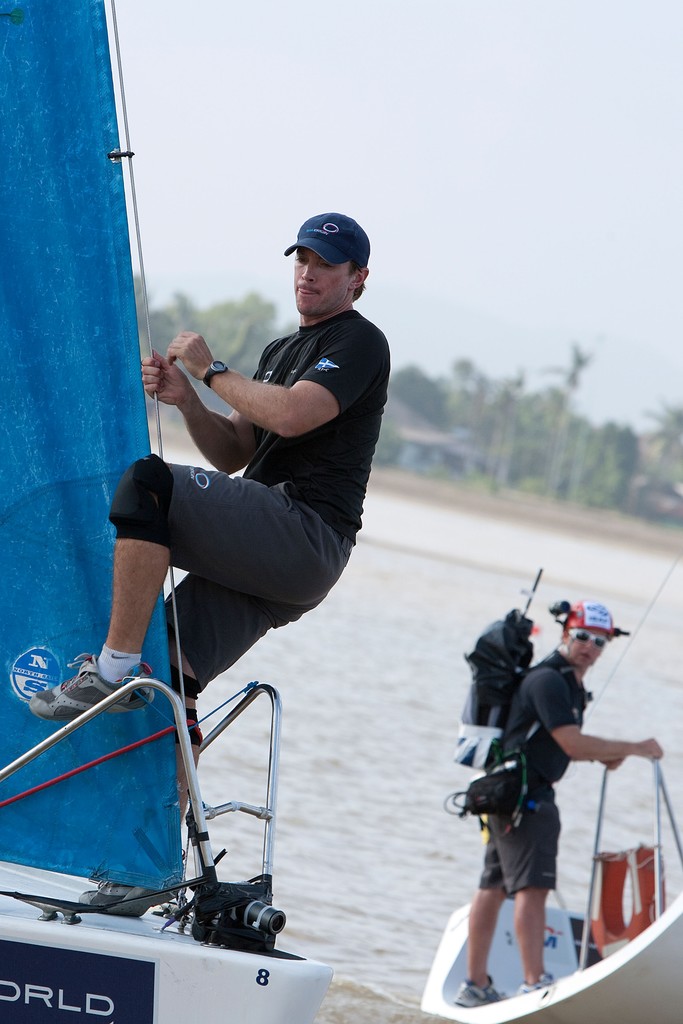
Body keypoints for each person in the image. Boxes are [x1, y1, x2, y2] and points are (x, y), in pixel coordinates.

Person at [29, 212, 389, 904]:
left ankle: (110, 669)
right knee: (172, 681)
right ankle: (147, 869)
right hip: (268, 562)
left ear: (357, 280)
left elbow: (289, 417)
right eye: (302, 259)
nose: (309, 273)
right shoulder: (285, 347)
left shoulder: (360, 342)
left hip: (304, 536)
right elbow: (236, 452)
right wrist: (189, 401)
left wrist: (209, 368)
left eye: (326, 264)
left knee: (148, 484)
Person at [455, 600, 663, 1008]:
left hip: (509, 793)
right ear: (565, 632)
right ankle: (534, 983)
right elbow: (570, 742)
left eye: (600, 641)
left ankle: (475, 985)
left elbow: (558, 743)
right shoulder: (550, 681)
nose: (590, 646)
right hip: (526, 799)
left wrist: (605, 752)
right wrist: (634, 748)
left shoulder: (564, 681)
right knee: (531, 889)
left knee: (493, 886)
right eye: (583, 636)